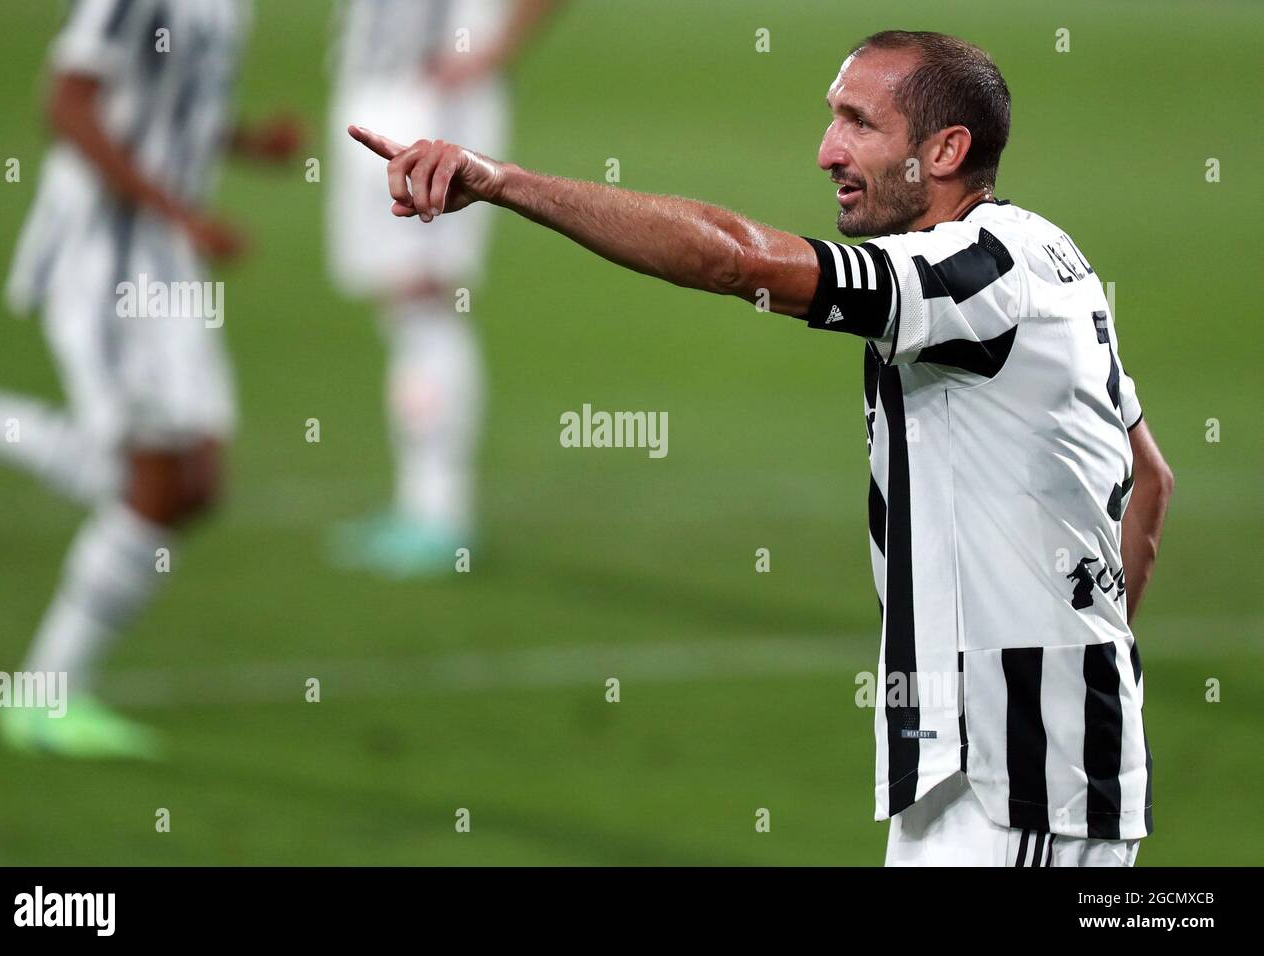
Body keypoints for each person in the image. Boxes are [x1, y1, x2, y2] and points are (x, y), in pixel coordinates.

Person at [345, 29, 1175, 865]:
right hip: (984, 772)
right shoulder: (1042, 256)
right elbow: (1151, 477)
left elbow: (734, 261)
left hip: (1022, 784)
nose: (827, 151)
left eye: (859, 124)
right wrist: (1090, 662)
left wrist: (502, 182)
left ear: (946, 150)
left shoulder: (977, 270)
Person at [0, 0, 300, 758]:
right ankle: (45, 698)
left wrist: (247, 144)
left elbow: (167, 104)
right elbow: (68, 104)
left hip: (162, 262)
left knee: (196, 482)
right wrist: (176, 211)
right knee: (155, 484)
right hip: (107, 258)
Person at [324, 0, 562, 576]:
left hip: (434, 97)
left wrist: (489, 53)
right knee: (404, 303)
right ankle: (423, 505)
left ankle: (437, 511)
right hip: (380, 84)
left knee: (425, 301)